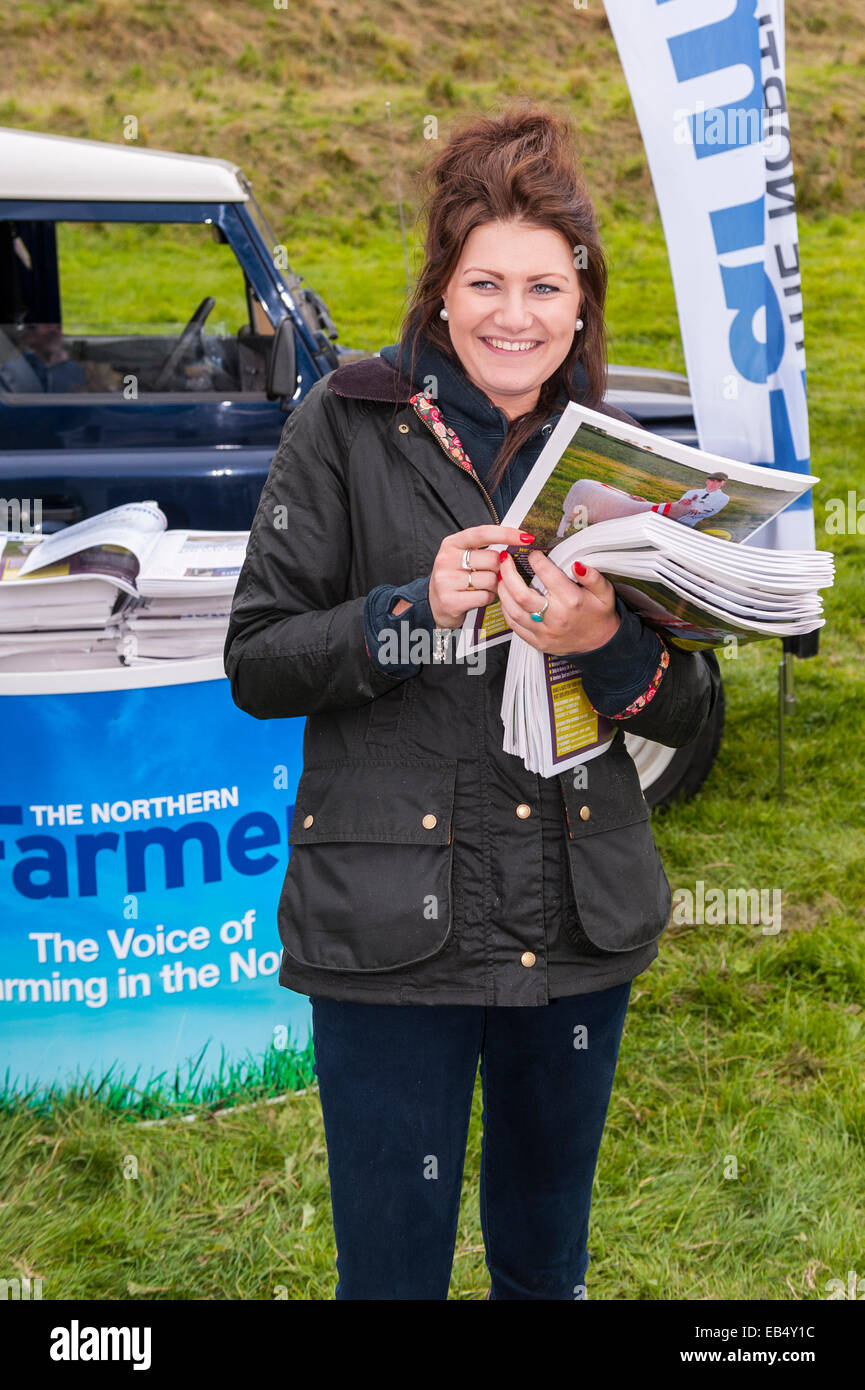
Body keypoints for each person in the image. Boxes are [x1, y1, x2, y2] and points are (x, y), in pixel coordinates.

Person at [224, 106, 721, 1301]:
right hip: (393, 931)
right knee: (390, 1280)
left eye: (544, 287)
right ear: (439, 291)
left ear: (582, 302)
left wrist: (605, 643)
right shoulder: (341, 425)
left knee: (544, 1272)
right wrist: (409, 611)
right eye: (484, 281)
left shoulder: (618, 466)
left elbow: (688, 721)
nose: (513, 315)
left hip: (577, 927)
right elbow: (257, 661)